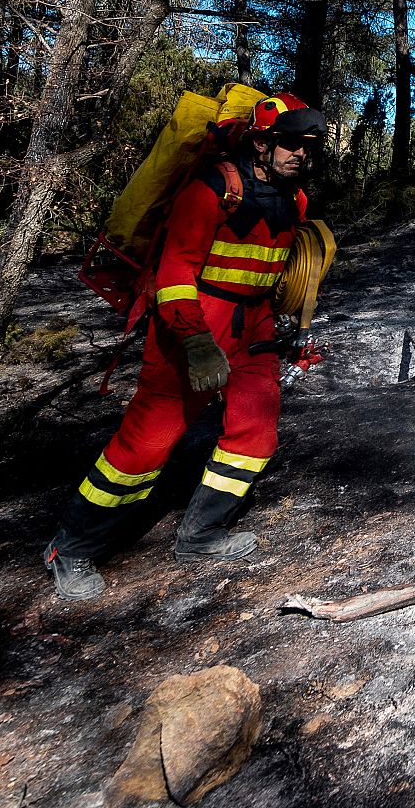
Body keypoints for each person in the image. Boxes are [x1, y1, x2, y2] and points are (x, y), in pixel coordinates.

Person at [43, 93, 326, 600]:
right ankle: (73, 548)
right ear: (260, 142)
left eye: (308, 146)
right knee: (145, 445)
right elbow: (175, 272)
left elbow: (274, 271)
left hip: (253, 326)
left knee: (256, 433)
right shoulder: (214, 188)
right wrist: (194, 340)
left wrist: (287, 324)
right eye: (289, 144)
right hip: (192, 323)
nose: (300, 154)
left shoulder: (296, 200)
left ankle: (200, 535)